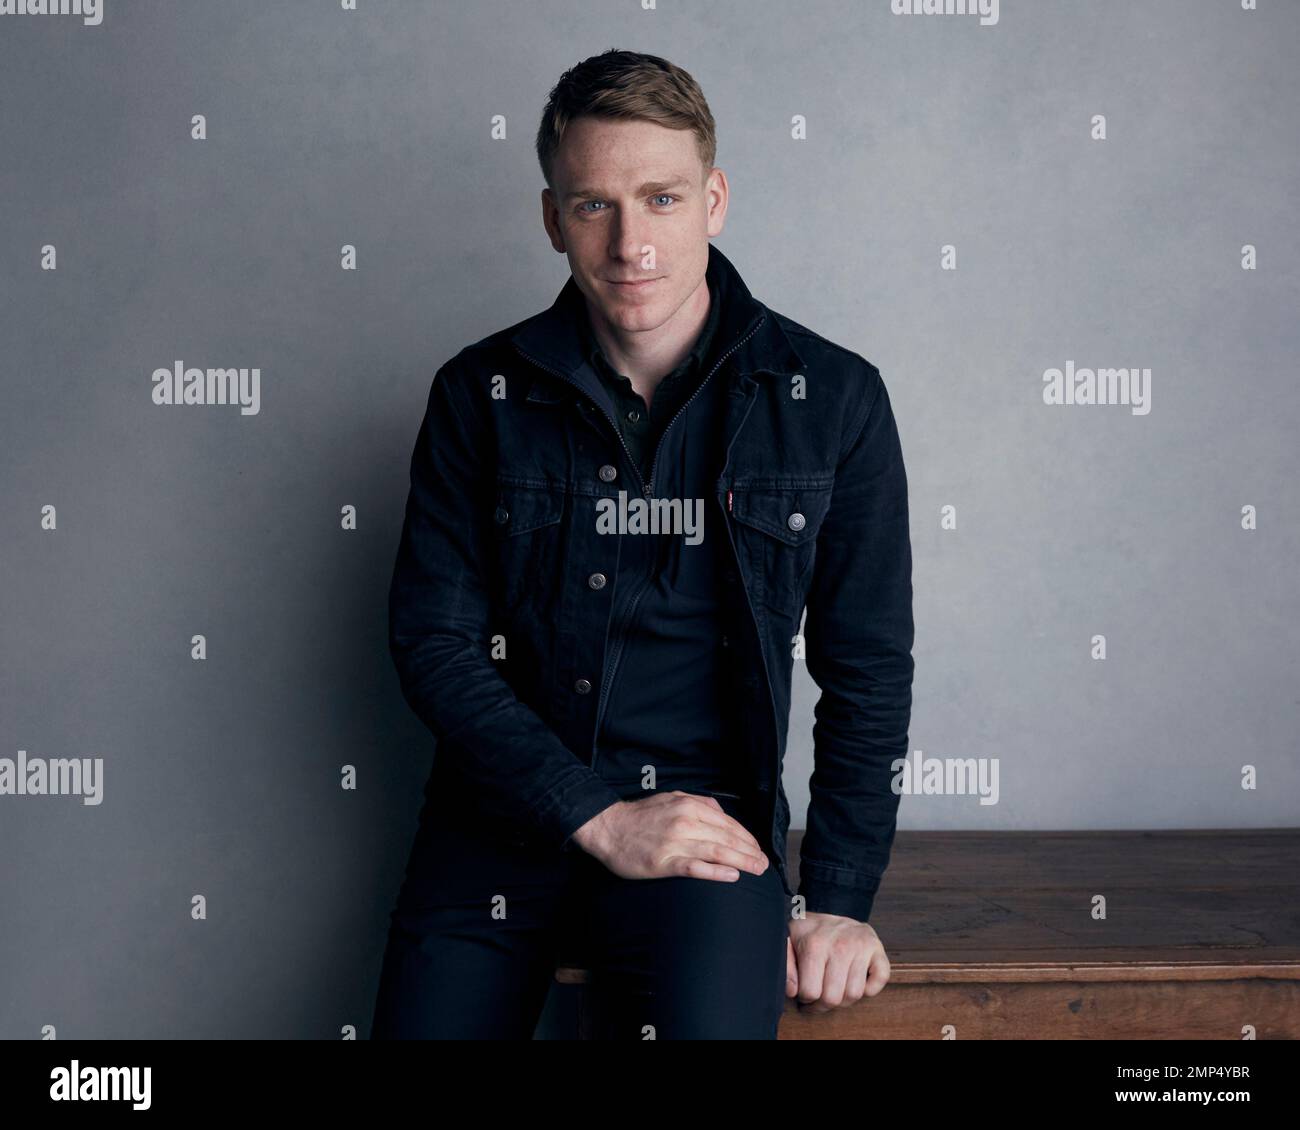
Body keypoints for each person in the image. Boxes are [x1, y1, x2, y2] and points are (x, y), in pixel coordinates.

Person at [371, 48, 914, 1039]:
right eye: (593, 205)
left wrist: (837, 892)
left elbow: (867, 662)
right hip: (498, 822)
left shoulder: (832, 397)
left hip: (705, 831)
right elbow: (434, 644)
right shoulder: (477, 395)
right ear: (551, 218)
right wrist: (598, 814)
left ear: (713, 200)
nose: (630, 243)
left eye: (660, 199)